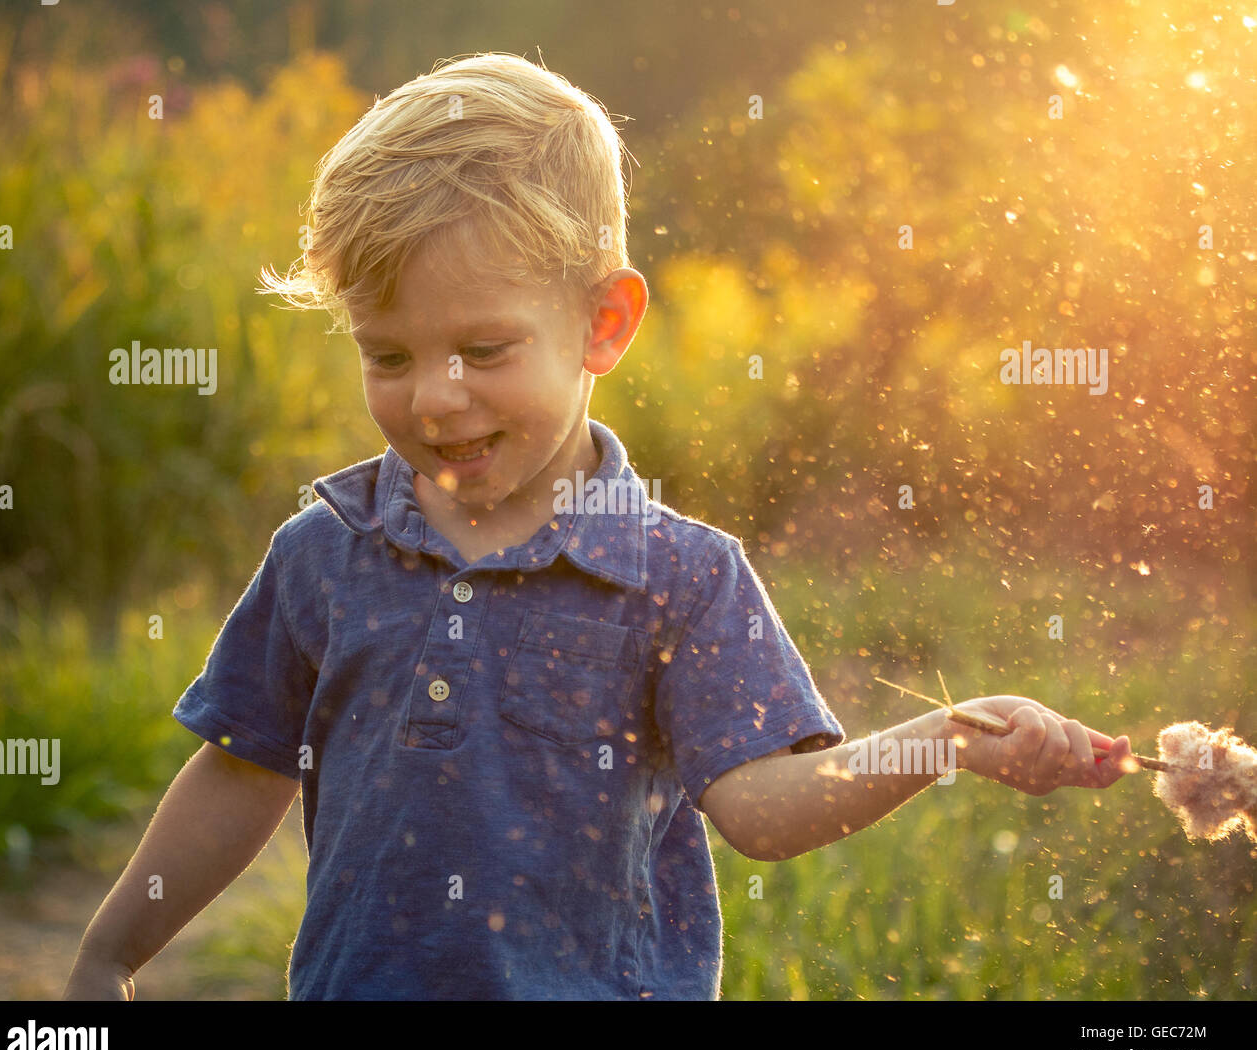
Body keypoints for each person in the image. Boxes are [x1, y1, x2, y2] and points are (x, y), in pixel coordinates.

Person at [64, 52, 1133, 1001]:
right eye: (387, 354)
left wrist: (944, 735)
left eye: (482, 350)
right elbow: (243, 767)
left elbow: (760, 808)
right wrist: (109, 954)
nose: (434, 397)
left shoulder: (680, 576)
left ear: (603, 324)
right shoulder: (324, 553)